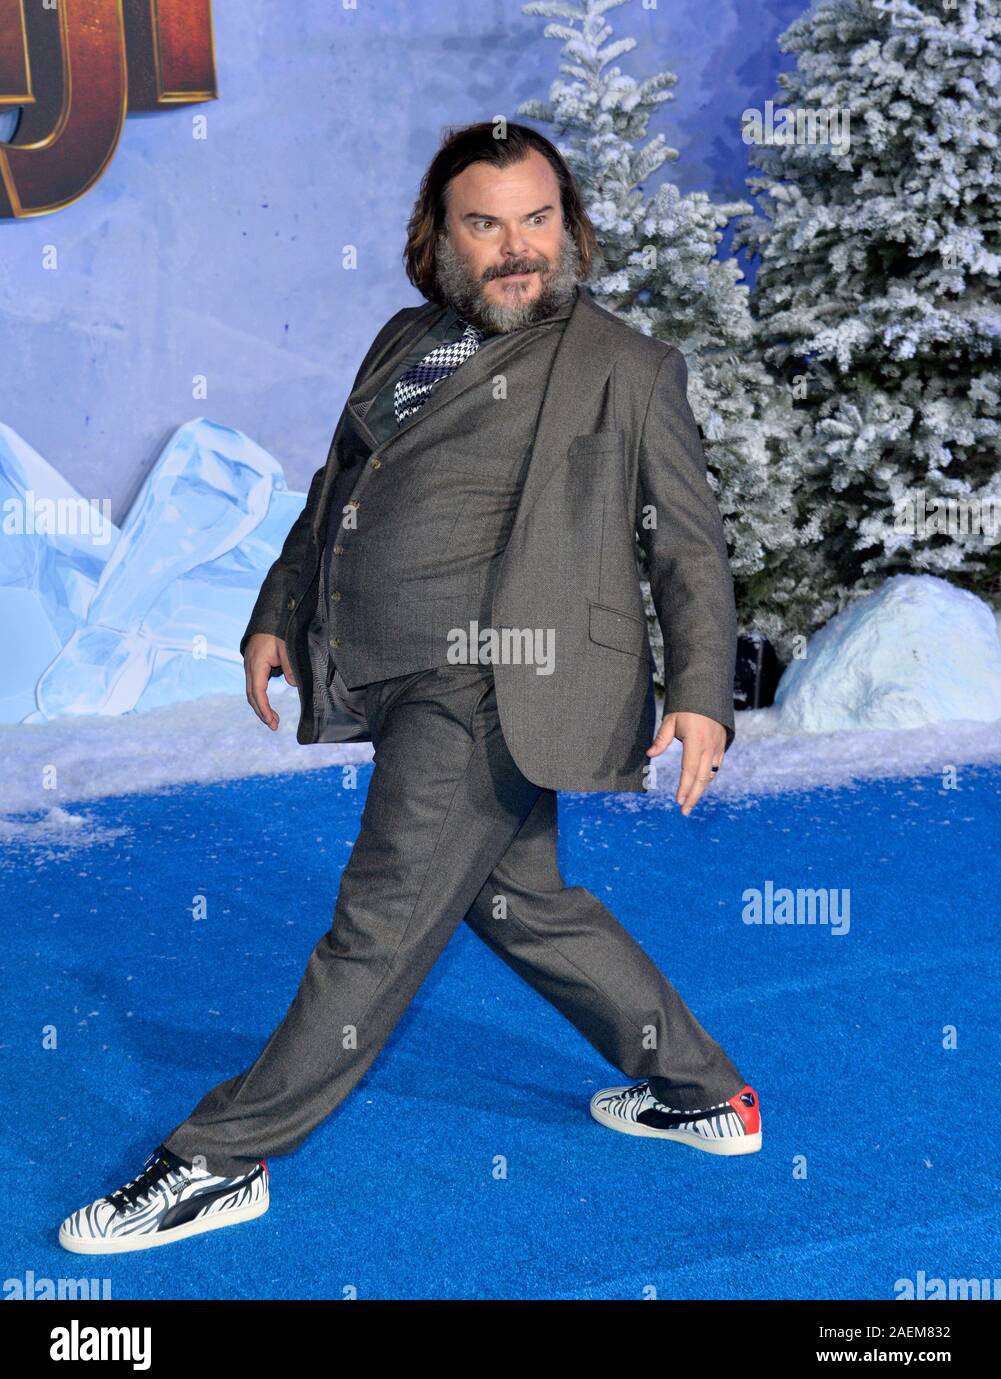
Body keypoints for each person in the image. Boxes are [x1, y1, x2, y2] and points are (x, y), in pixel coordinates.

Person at [59, 121, 760, 1256]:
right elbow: (338, 487)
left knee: (375, 930)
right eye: (485, 224)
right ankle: (701, 1091)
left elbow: (687, 545)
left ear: (569, 228)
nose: (516, 247)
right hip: (396, 677)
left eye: (537, 220)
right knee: (517, 900)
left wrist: (700, 690)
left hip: (488, 686)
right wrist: (277, 611)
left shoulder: (623, 368)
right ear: (437, 238)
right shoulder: (406, 340)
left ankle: (218, 1157)